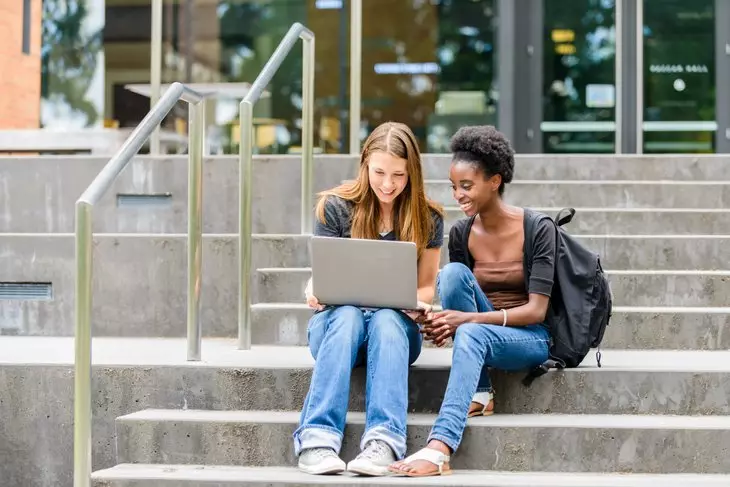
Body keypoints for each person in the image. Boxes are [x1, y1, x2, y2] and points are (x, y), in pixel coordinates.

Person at [389, 125, 555, 477]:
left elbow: (536, 310)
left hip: (530, 336)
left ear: (495, 181)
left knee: (471, 332)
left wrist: (463, 321)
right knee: (450, 275)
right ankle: (480, 393)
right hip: (481, 327)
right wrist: (437, 319)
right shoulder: (462, 233)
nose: (457, 195)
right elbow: (459, 301)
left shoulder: (538, 228)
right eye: (453, 187)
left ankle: (440, 447)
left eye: (466, 186)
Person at [293, 121, 444, 476]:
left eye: (399, 175)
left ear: (413, 173)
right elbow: (323, 273)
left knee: (388, 318)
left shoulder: (428, 217)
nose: (388, 184)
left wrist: (416, 301)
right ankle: (316, 439)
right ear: (364, 164)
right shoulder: (335, 207)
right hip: (337, 329)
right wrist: (313, 289)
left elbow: (426, 287)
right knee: (346, 314)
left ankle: (385, 441)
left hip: (393, 334)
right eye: (379, 172)